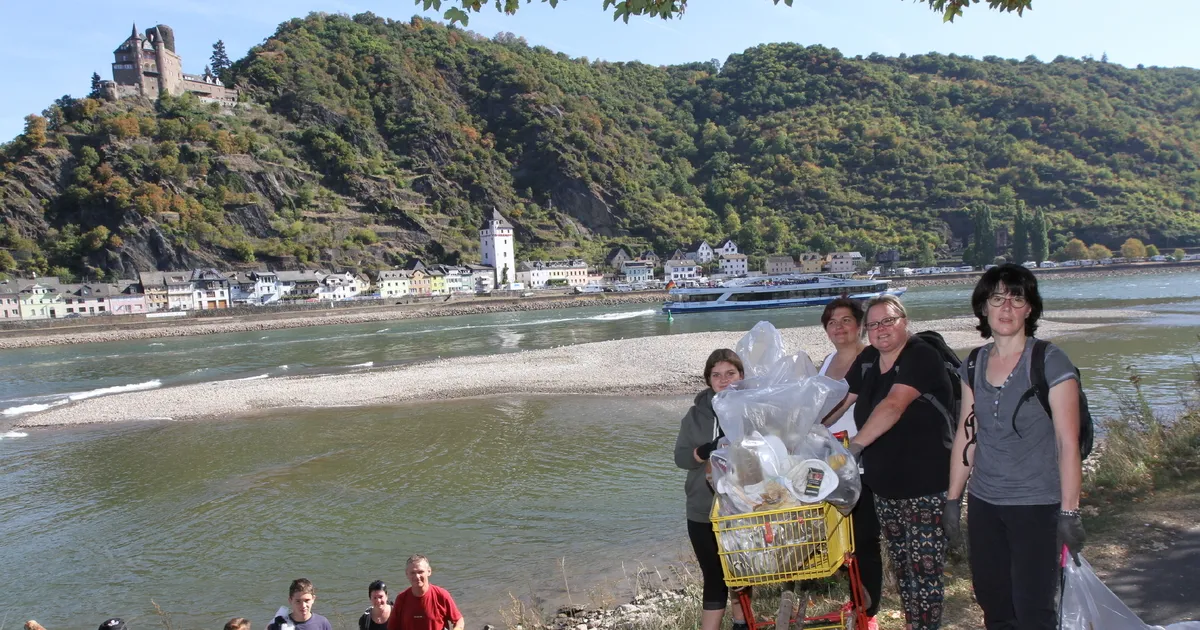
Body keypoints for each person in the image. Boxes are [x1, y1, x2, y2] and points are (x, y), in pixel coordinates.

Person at [944, 264, 1084, 630]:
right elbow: (966, 434)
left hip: (1036, 505)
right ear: (983, 308)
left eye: (1017, 299)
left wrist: (1069, 513)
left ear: (1030, 309)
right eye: (997, 298)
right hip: (985, 504)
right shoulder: (973, 363)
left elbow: (1068, 443)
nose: (1006, 308)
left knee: (1033, 608)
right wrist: (952, 499)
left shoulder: (1050, 361)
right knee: (994, 604)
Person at [826, 294, 953, 630]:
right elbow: (842, 400)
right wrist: (805, 428)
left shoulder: (920, 356)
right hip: (886, 489)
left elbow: (894, 405)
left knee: (924, 571)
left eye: (888, 320)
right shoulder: (868, 359)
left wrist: (855, 447)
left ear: (904, 321)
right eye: (873, 324)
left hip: (925, 485)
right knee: (904, 570)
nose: (881, 329)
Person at [673, 349, 751, 630]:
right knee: (714, 577)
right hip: (701, 509)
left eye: (731, 373)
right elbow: (680, 458)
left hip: (744, 507)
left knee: (742, 571)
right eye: (716, 375)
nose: (724, 380)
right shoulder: (695, 415)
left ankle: (741, 624)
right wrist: (706, 450)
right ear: (708, 380)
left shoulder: (754, 408)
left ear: (741, 375)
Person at [818, 298, 881, 630]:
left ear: (859, 325)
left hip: (865, 460)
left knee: (865, 538)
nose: (838, 327)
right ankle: (858, 599)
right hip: (832, 463)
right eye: (831, 322)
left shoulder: (872, 358)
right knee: (839, 540)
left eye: (845, 320)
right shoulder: (827, 362)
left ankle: (869, 613)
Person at [387, 555, 464, 630]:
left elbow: (459, 620)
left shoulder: (441, 595)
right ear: (407, 574)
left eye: (420, 572)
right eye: (412, 573)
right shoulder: (401, 599)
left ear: (429, 571)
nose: (417, 576)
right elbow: (392, 627)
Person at [267, 579, 332, 630]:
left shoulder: (322, 623)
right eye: (298, 601)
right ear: (290, 600)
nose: (303, 606)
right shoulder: (278, 625)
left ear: (313, 599)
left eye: (307, 600)